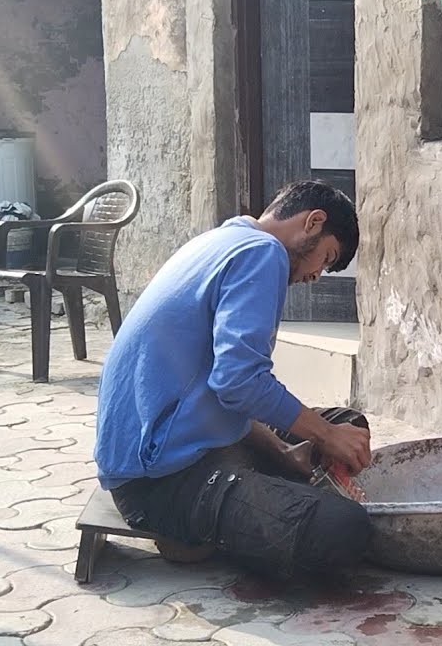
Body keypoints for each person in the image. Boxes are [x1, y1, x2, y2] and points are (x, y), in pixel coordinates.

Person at [94, 180, 373, 579]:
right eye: (325, 260)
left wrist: (284, 449)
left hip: (181, 439)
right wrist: (325, 437)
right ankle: (208, 524)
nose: (317, 276)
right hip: (159, 481)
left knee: (348, 425)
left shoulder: (228, 238)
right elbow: (238, 382)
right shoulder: (264, 254)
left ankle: (252, 493)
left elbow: (219, 387)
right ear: (313, 221)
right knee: (343, 528)